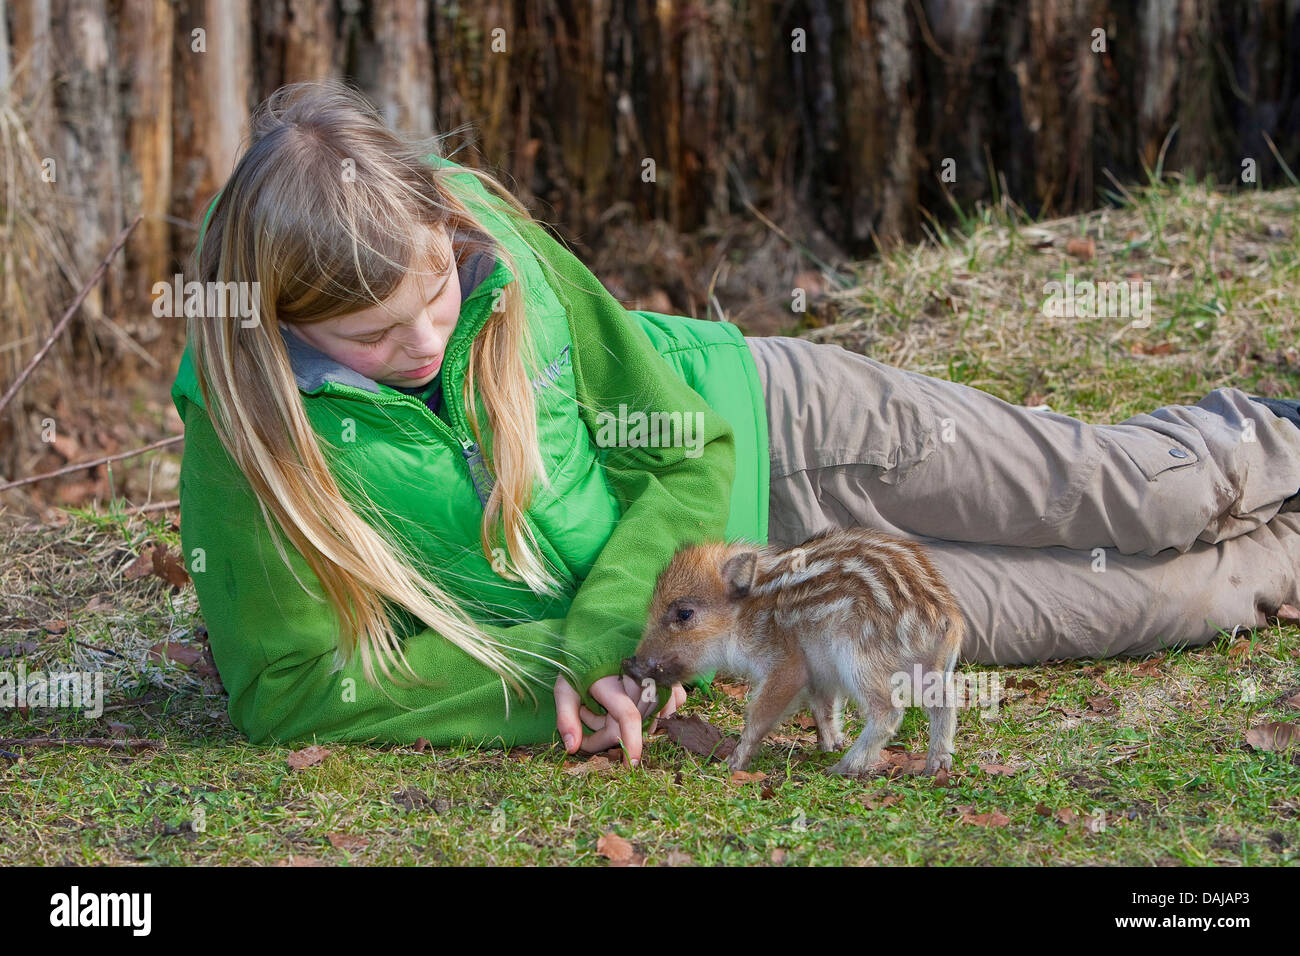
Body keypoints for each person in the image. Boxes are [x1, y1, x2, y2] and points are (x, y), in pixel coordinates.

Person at [172, 80, 1300, 768]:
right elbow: (293, 691)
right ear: (282, 322)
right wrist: (573, 676)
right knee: (1145, 600)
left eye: (438, 296)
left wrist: (606, 628)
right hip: (739, 617)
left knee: (1146, 493)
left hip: (779, 427)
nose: (425, 340)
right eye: (373, 336)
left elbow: (683, 441)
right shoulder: (251, 446)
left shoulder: (483, 235)